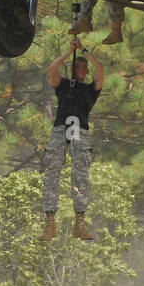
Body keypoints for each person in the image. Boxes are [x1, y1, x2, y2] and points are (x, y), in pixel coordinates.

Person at [41, 37, 104, 240]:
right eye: (76, 66)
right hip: (61, 129)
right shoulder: (64, 85)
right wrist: (69, 52)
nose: (80, 68)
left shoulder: (90, 90)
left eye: (83, 67)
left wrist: (83, 50)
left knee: (80, 176)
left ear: (86, 71)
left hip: (79, 131)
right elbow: (52, 69)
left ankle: (80, 224)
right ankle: (50, 224)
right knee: (52, 172)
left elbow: (100, 68)